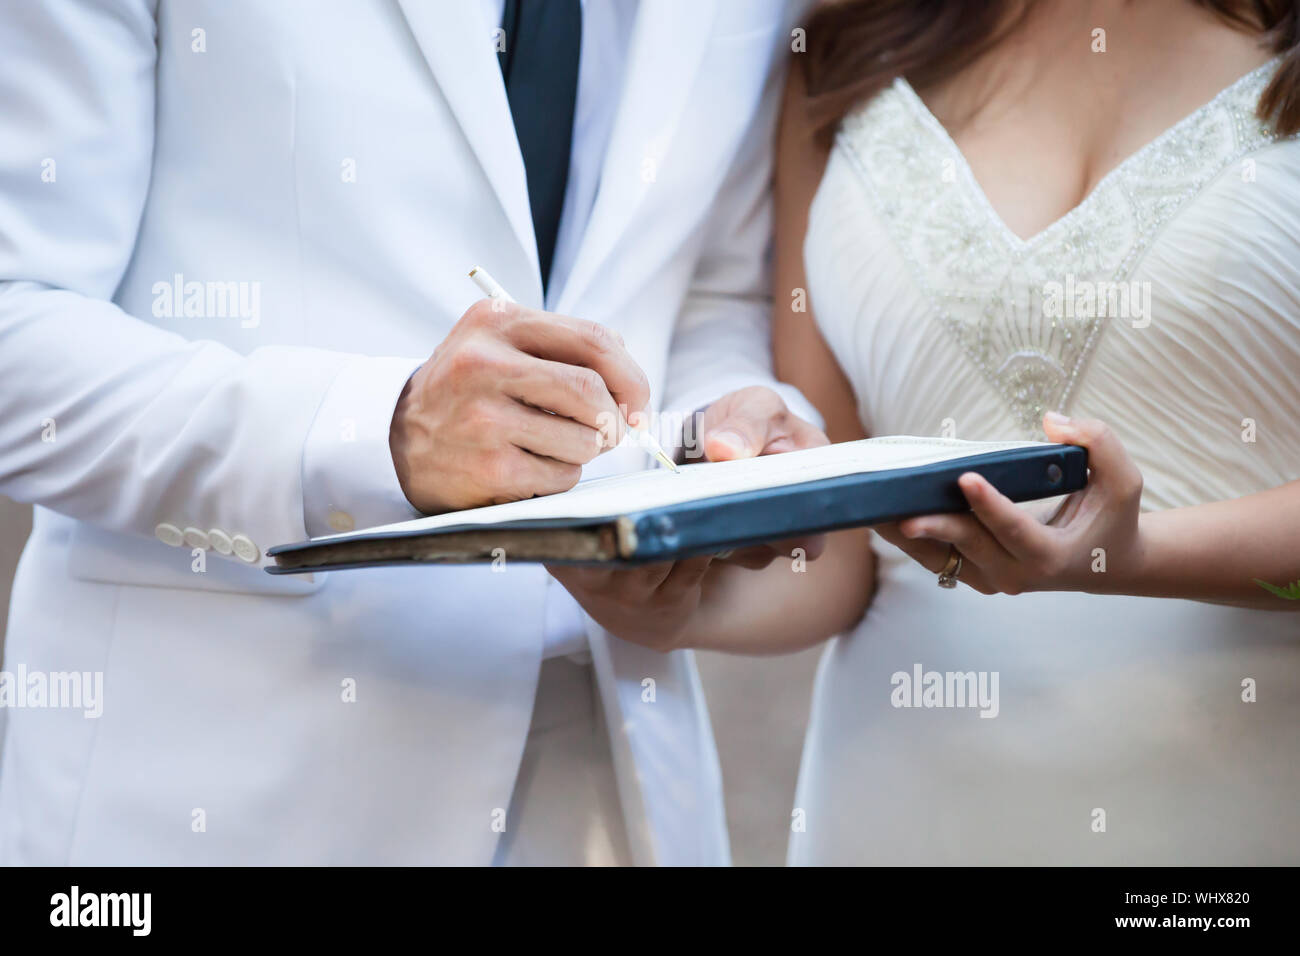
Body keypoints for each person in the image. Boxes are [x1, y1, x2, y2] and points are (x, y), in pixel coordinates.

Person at [0, 0, 824, 865]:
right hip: (228, 776)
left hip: (613, 773)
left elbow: (710, 295)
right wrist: (379, 430)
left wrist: (727, 424)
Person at [550, 0, 1300, 864]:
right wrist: (676, 603)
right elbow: (840, 560)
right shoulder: (848, 40)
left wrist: (1138, 557)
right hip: (897, 802)